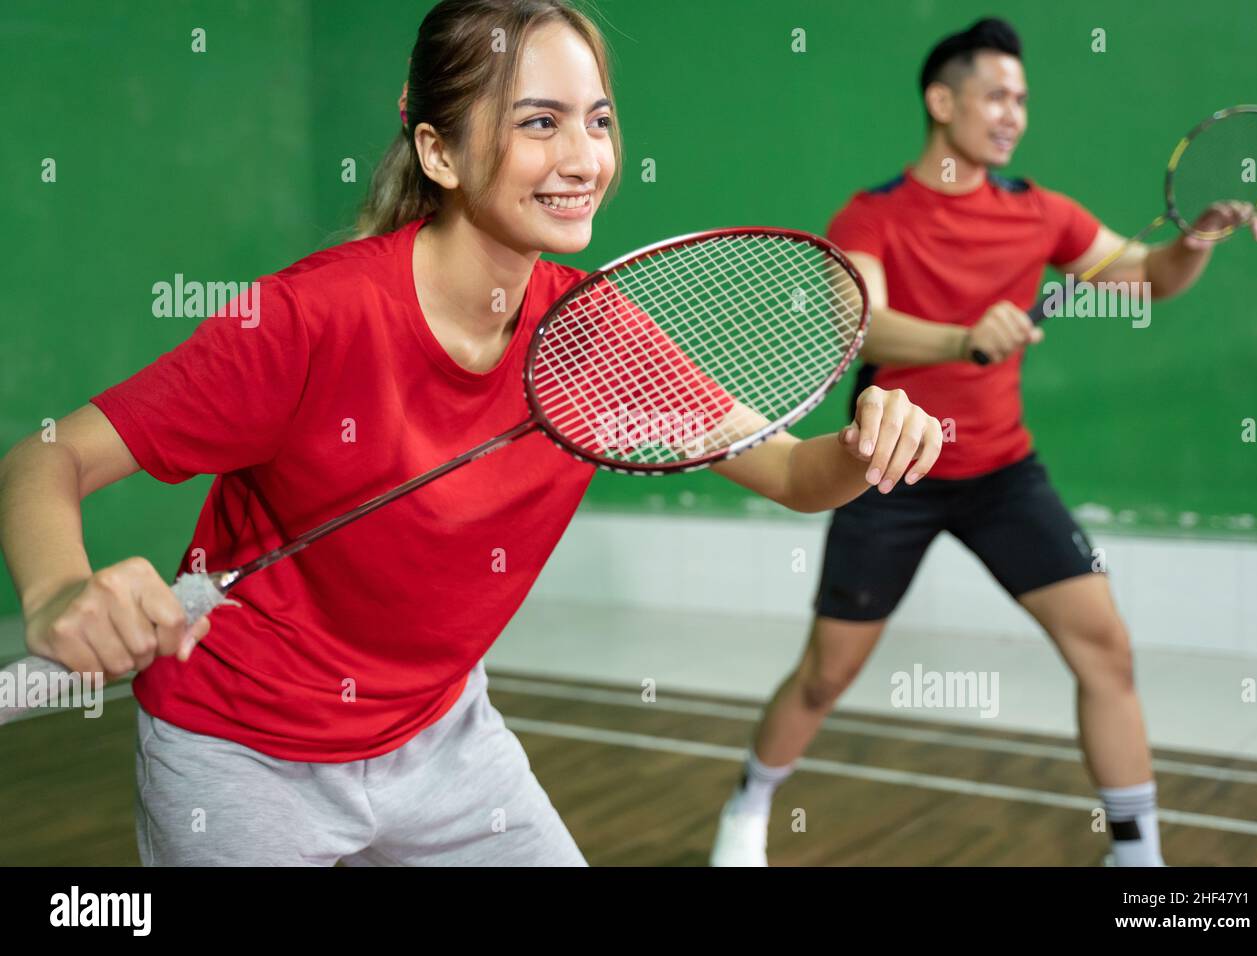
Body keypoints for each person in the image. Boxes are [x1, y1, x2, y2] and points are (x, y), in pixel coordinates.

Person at [0, 0, 943, 866]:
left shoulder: (596, 332)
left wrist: (866, 448)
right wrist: (57, 590)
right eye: (541, 121)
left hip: (441, 738)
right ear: (439, 153)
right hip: (244, 751)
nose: (584, 158)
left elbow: (789, 470)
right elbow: (49, 454)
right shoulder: (307, 321)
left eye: (599, 120)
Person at [710, 17, 1257, 868]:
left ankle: (1136, 857)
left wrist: (1193, 241)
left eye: (1023, 100)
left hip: (1002, 469)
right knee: (826, 675)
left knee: (1106, 648)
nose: (1014, 114)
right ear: (942, 100)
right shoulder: (871, 216)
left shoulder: (1038, 211)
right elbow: (859, 324)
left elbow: (1148, 281)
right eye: (997, 94)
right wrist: (960, 336)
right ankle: (751, 801)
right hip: (887, 470)